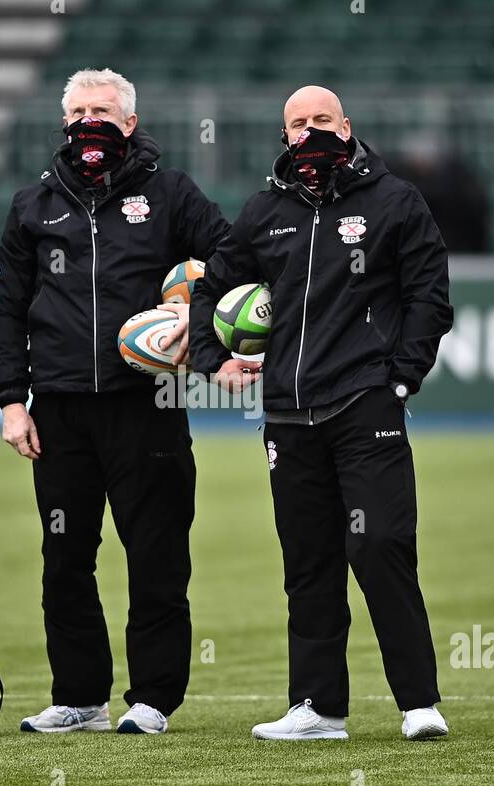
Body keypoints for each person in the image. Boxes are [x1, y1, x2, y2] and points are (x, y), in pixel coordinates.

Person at [190, 85, 454, 741]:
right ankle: (317, 708)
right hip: (286, 414)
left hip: (366, 406)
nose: (310, 132)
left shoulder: (394, 201)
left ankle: (418, 703)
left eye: (321, 121)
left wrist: (401, 379)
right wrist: (211, 360)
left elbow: (430, 296)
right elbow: (211, 288)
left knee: (380, 544)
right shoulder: (265, 211)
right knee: (308, 563)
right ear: (285, 137)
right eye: (298, 124)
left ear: (347, 126)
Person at [0, 68, 229, 734]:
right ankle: (80, 694)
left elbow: (233, 257)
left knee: (156, 555)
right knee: (65, 559)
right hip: (59, 408)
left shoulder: (172, 193)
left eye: (103, 110)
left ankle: (153, 697)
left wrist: (194, 322)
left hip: (145, 402)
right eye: (77, 111)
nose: (88, 120)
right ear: (64, 123)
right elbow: (8, 309)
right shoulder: (33, 205)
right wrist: (13, 400)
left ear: (129, 122)